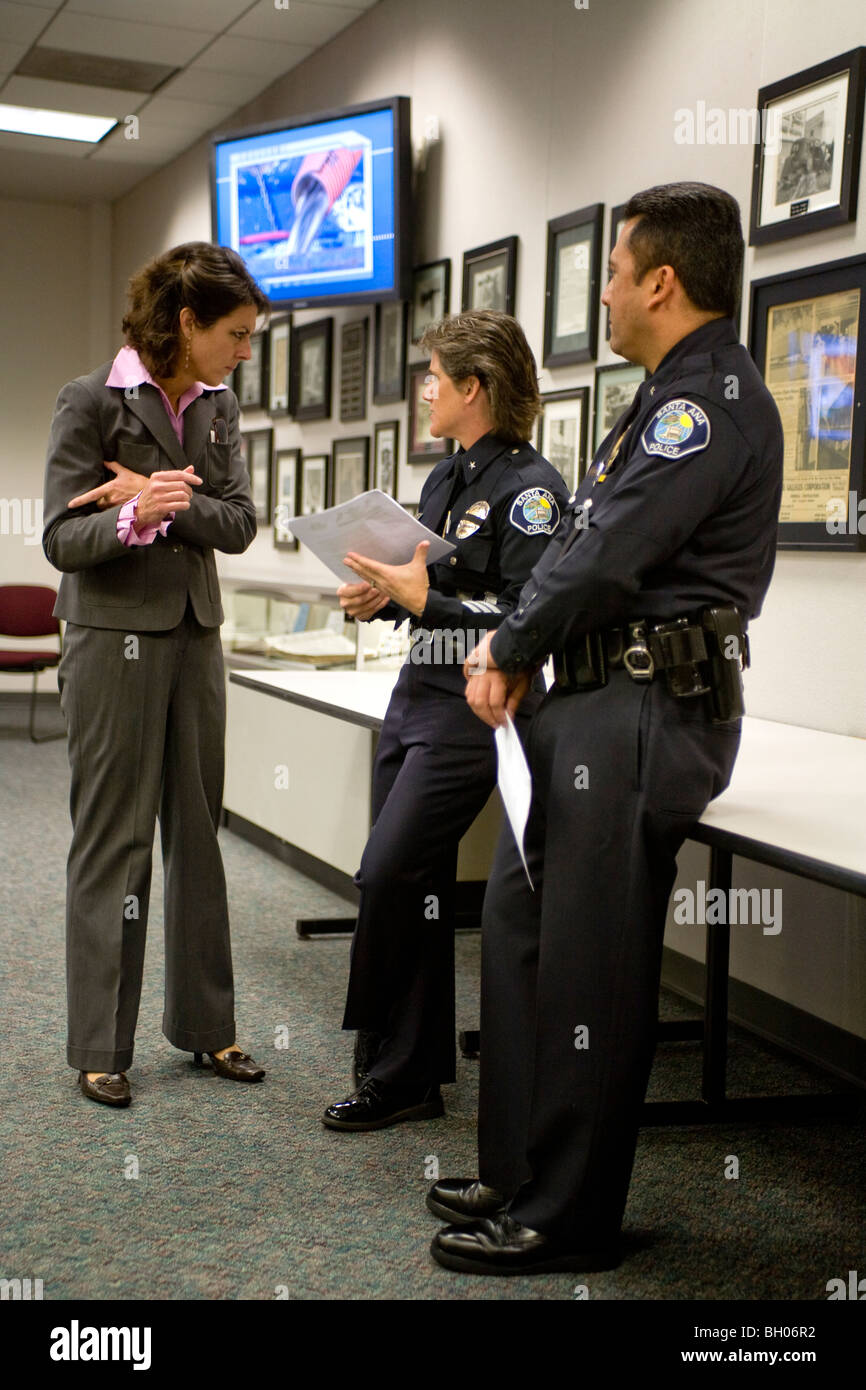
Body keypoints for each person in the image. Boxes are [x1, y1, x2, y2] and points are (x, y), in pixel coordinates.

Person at [426, 183, 784, 1273]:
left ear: (659, 281)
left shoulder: (705, 403)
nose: (608, 293)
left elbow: (606, 553)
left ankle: (567, 1216)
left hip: (643, 709)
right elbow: (593, 549)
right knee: (527, 941)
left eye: (614, 273)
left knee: (588, 966)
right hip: (587, 705)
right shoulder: (661, 396)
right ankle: (518, 1170)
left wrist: (504, 644)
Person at [321, 310, 569, 1131]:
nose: (425, 388)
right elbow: (430, 596)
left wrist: (428, 601)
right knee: (415, 880)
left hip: (473, 707)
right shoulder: (446, 477)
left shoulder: (531, 492)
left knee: (386, 872)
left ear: (474, 387)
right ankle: (411, 1074)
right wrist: (385, 599)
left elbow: (525, 624)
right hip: (415, 694)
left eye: (435, 376)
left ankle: (389, 1066)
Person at [42, 241, 269, 1107]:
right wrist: (136, 512)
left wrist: (162, 501)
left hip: (194, 637)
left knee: (199, 832)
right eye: (236, 335)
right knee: (116, 837)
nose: (244, 352)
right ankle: (101, 1046)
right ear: (186, 322)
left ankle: (210, 1031)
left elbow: (240, 522)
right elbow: (62, 539)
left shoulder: (219, 407)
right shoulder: (87, 398)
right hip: (109, 638)